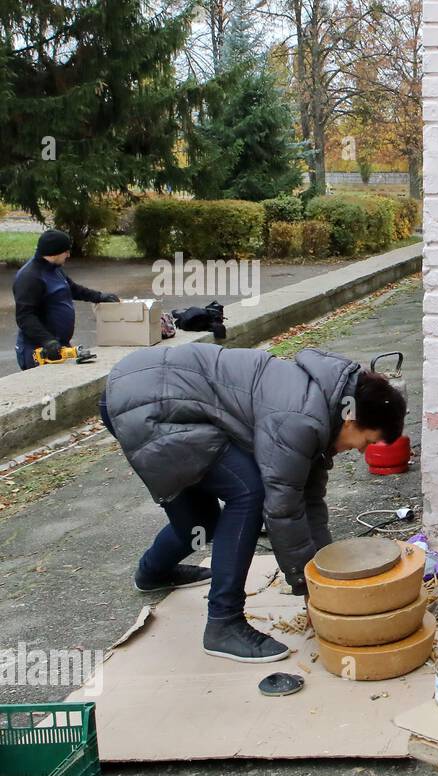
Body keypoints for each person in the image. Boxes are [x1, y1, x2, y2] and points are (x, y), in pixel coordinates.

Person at [101, 343, 406, 662]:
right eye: (367, 441)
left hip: (139, 385)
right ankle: (224, 623)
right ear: (350, 420)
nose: (360, 451)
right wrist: (310, 590)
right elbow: (282, 510)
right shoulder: (301, 419)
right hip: (145, 402)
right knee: (249, 491)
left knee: (201, 524)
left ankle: (153, 573)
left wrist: (324, 580)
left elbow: (309, 501)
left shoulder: (324, 404)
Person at [12, 229, 119, 370]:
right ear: (53, 252)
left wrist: (98, 296)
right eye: (66, 251)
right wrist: (47, 340)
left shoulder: (55, 269)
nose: (68, 255)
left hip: (59, 346)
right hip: (38, 350)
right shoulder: (30, 277)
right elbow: (25, 316)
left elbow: (72, 288)